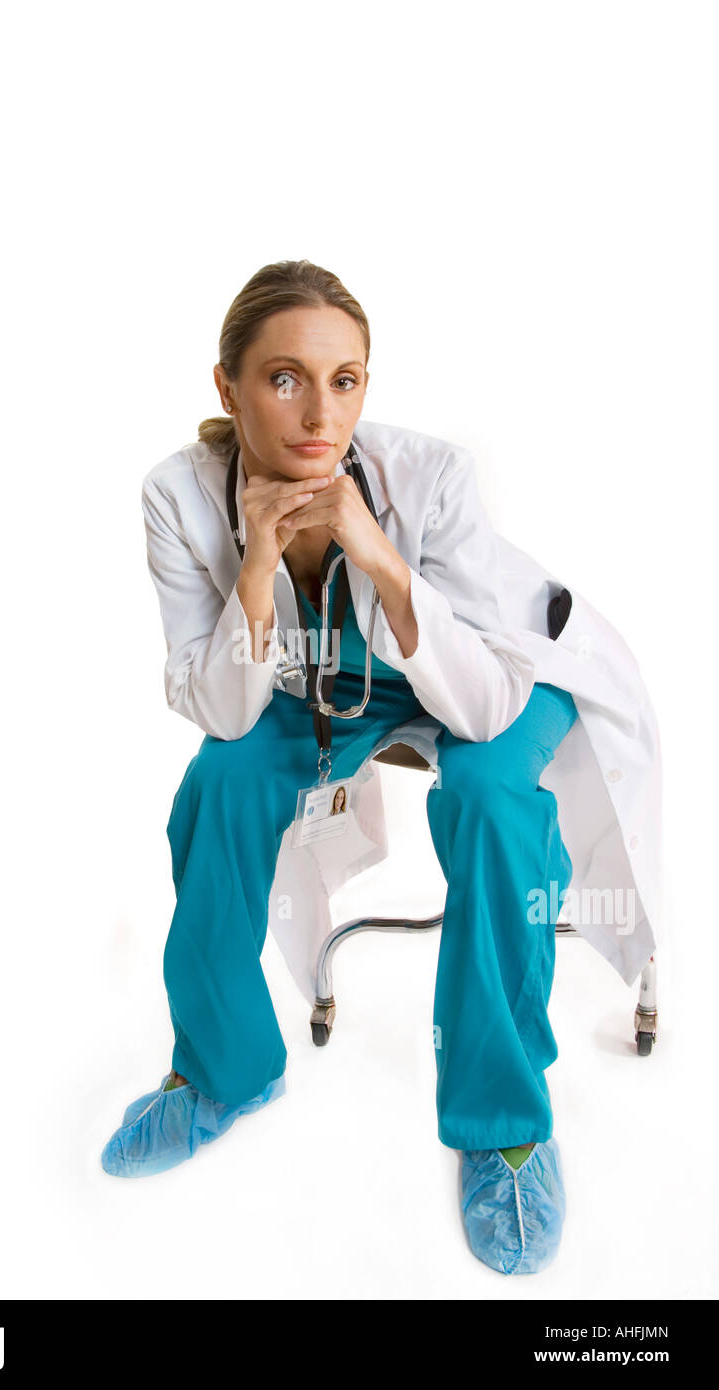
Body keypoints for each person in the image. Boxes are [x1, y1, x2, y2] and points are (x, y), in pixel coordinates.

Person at [100, 259, 661, 1278]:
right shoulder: (176, 499)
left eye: (346, 379)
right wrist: (262, 564)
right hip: (297, 676)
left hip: (478, 662)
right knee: (218, 786)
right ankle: (223, 1069)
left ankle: (501, 1123)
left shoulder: (427, 478)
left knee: (491, 798)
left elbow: (486, 700)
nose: (321, 412)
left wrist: (377, 557)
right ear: (226, 388)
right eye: (284, 379)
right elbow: (221, 709)